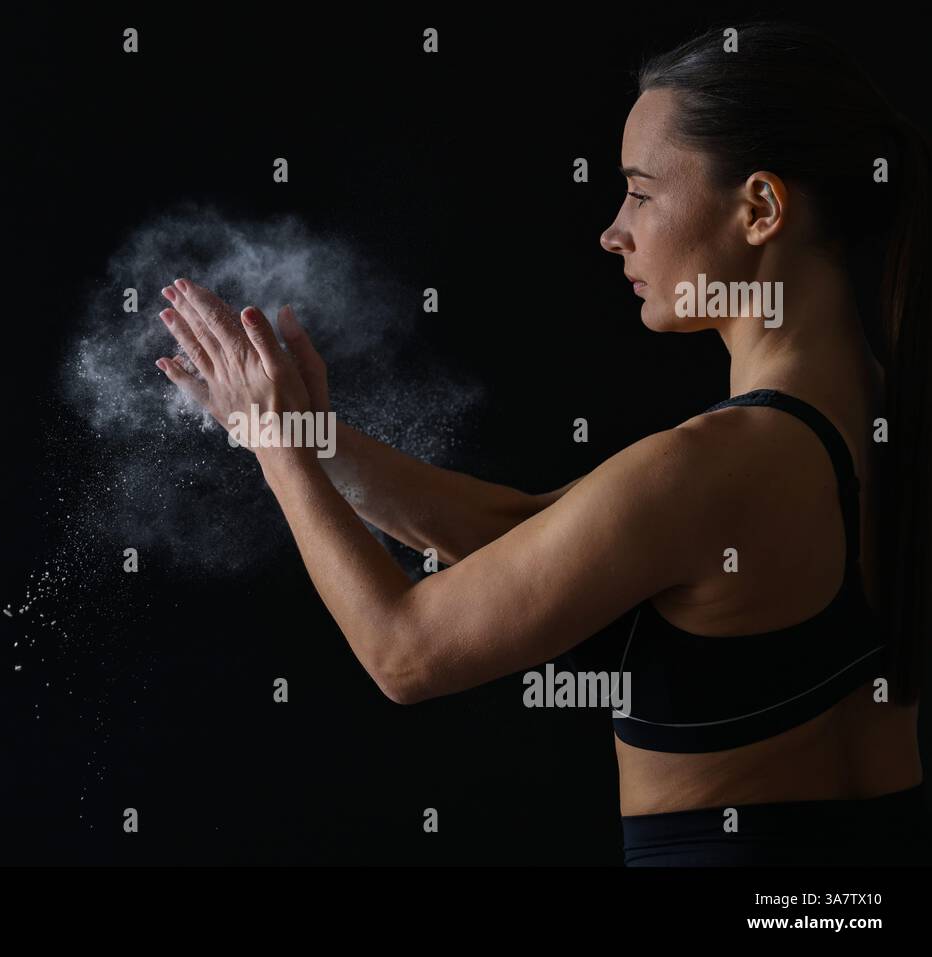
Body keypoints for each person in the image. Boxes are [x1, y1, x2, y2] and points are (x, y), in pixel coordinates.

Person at [152, 20, 931, 866]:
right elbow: (522, 533)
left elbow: (403, 652)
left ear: (760, 208)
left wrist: (277, 448)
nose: (612, 231)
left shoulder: (715, 465)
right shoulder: (885, 421)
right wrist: (308, 431)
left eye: (639, 191)